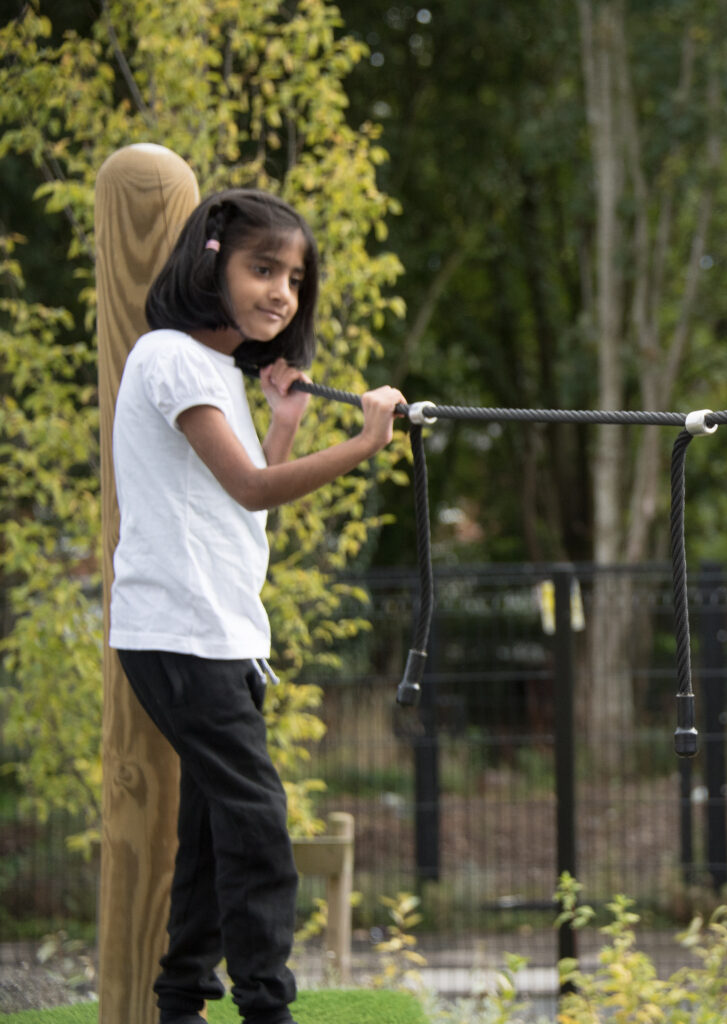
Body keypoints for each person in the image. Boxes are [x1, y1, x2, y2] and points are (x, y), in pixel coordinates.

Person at [109, 187, 407, 1024]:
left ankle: (180, 1000)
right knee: (257, 822)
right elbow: (246, 487)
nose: (282, 292)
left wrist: (283, 423)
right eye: (263, 268)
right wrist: (362, 442)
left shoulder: (211, 372)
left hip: (223, 638)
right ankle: (266, 1006)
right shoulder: (169, 355)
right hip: (178, 634)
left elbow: (241, 503)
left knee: (211, 830)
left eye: (294, 279)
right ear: (211, 265)